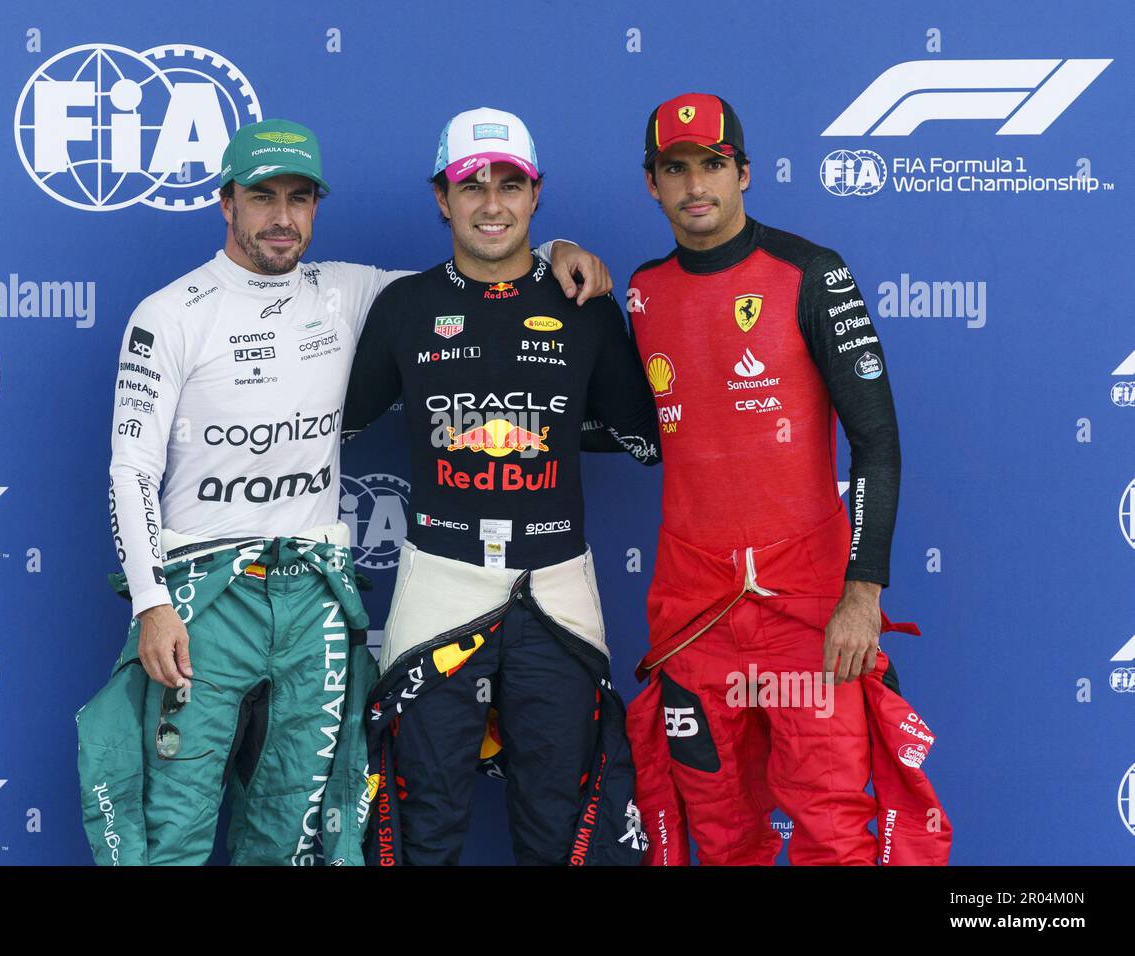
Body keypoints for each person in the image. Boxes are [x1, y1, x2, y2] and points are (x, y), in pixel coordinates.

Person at [75, 117, 611, 866]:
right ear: (225, 202)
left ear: (318, 207)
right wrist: (151, 603)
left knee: (297, 829)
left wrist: (556, 252)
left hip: (315, 601)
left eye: (300, 198)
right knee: (173, 825)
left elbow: (489, 270)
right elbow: (128, 470)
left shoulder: (351, 293)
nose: (282, 218)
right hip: (202, 597)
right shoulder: (170, 313)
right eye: (263, 197)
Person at [622, 93, 950, 865]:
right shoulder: (641, 293)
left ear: (744, 173)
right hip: (694, 622)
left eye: (712, 165)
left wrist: (862, 595)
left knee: (830, 831)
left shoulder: (810, 272)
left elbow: (877, 442)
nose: (695, 185)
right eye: (676, 169)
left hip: (810, 620)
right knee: (721, 834)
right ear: (652, 184)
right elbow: (633, 426)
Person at [343, 108, 661, 866]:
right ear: (441, 198)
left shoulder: (585, 308)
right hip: (439, 581)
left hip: (554, 585)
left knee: (564, 820)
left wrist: (532, 429)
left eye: (510, 184)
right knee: (420, 818)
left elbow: (644, 439)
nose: (492, 202)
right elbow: (338, 427)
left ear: (536, 194)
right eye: (471, 185)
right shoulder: (403, 307)